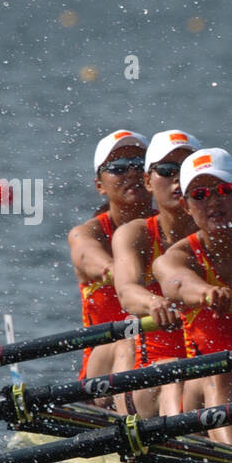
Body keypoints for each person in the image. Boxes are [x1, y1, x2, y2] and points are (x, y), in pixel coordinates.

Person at [153, 148, 232, 445]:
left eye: (223, 190)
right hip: (206, 390)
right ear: (185, 205)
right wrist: (205, 292)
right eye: (200, 195)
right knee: (221, 370)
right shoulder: (179, 257)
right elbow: (176, 283)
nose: (213, 202)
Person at [111, 129, 200, 417]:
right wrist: (153, 303)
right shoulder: (134, 235)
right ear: (148, 181)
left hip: (212, 373)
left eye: (184, 170)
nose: (176, 179)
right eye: (166, 170)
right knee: (175, 375)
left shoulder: (223, 236)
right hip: (150, 373)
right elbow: (127, 292)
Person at [68, 130, 152, 385]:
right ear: (100, 186)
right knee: (129, 341)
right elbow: (89, 257)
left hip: (168, 354)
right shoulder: (87, 234)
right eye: (118, 168)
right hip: (105, 363)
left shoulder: (176, 231)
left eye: (139, 165)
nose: (132, 174)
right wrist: (122, 272)